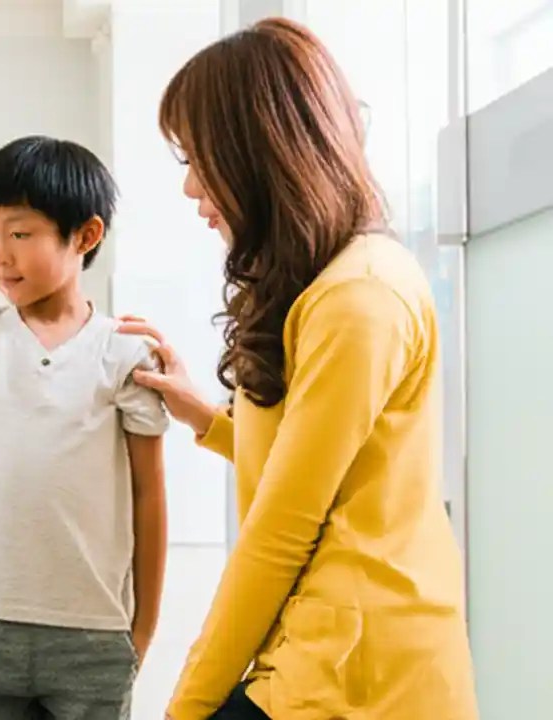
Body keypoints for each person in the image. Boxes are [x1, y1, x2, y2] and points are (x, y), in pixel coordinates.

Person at [117, 18, 478, 719]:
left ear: (256, 152)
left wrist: (185, 707)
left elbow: (280, 531)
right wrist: (206, 418)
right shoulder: (327, 284)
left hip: (361, 678)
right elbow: (329, 461)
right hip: (333, 654)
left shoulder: (358, 296)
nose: (191, 188)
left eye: (197, 158)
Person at [0, 136, 170, 719]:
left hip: (92, 629)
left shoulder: (126, 351)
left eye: (20, 234)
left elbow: (148, 493)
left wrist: (143, 625)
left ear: (86, 236)